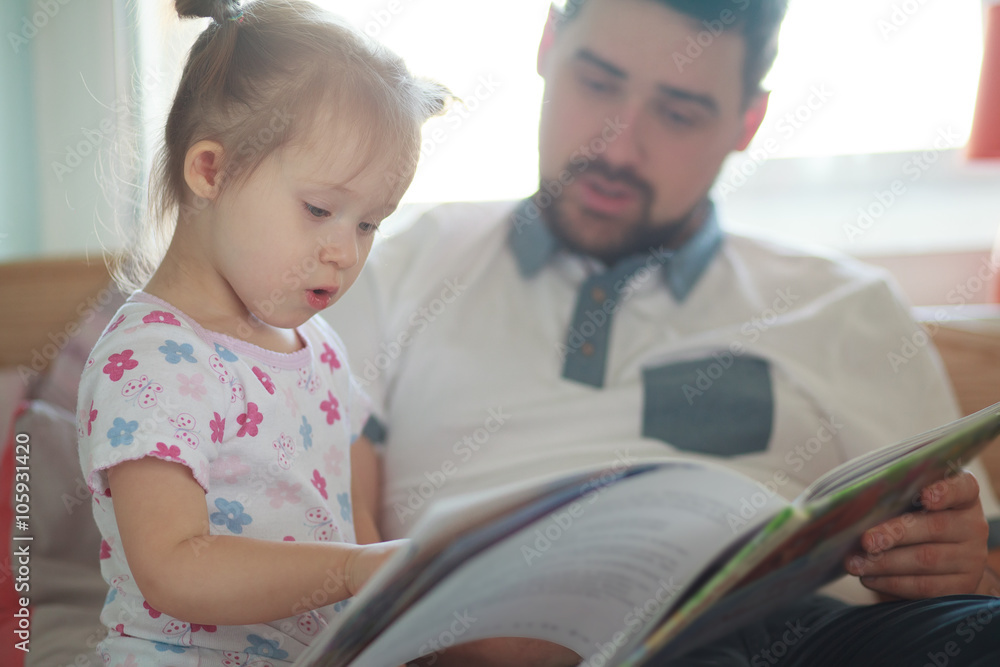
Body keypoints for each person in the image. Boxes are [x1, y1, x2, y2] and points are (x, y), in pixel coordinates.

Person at [326, 0, 1000, 665]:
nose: (616, 146)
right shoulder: (386, 269)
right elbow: (324, 519)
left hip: (801, 637)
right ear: (546, 47)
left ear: (748, 121)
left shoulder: (849, 308)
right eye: (596, 83)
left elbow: (978, 566)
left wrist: (955, 563)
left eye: (678, 113)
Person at [75, 1, 448, 664]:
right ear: (210, 172)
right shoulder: (153, 358)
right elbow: (172, 566)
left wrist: (380, 599)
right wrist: (350, 571)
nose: (344, 251)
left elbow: (350, 508)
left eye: (368, 224)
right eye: (320, 209)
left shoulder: (318, 346)